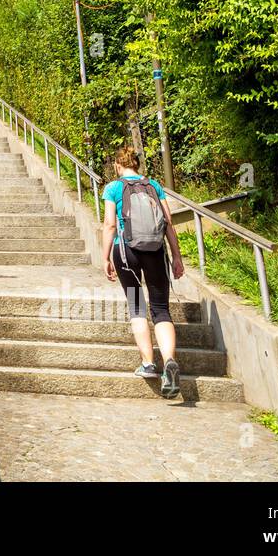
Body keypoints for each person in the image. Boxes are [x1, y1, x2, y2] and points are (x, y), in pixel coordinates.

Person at [101, 145, 186, 398]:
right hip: (156, 252)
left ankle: (149, 363)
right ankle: (169, 360)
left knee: (137, 306)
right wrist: (177, 257)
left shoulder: (114, 188)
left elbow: (109, 224)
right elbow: (168, 223)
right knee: (161, 309)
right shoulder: (154, 186)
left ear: (118, 165)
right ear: (137, 164)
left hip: (125, 251)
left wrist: (105, 257)